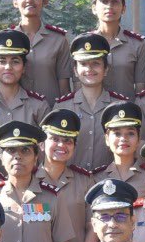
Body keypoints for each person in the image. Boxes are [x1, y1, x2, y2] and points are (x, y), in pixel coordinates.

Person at [0, 29, 49, 162]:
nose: (8, 67)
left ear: (24, 67)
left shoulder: (38, 105)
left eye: (15, 61)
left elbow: (46, 149)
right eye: (2, 61)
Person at [53, 32, 127, 172]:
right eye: (83, 64)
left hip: (109, 181)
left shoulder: (119, 107)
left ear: (106, 69)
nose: (89, 69)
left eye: (96, 63)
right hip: (72, 183)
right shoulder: (62, 107)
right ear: (75, 70)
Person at [8, 0, 72, 102]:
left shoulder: (59, 40)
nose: (29, 0)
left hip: (51, 115)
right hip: (15, 116)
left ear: (45, 1)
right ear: (15, 2)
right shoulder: (6, 39)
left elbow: (64, 87)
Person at [38, 108, 94, 242]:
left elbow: (93, 227)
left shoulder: (85, 182)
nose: (61, 145)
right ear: (42, 144)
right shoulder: (28, 181)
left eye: (67, 141)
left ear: (74, 147)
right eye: (55, 139)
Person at [86, 0, 145, 97]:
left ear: (123, 8)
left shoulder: (136, 45)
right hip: (92, 113)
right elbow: (79, 87)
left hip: (127, 114)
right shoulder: (84, 44)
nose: (109, 7)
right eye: (104, 1)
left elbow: (141, 90)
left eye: (115, 2)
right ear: (94, 8)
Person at [89, 101, 145, 197]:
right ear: (107, 139)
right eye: (117, 133)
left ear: (138, 138)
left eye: (130, 133)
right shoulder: (95, 179)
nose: (123, 138)